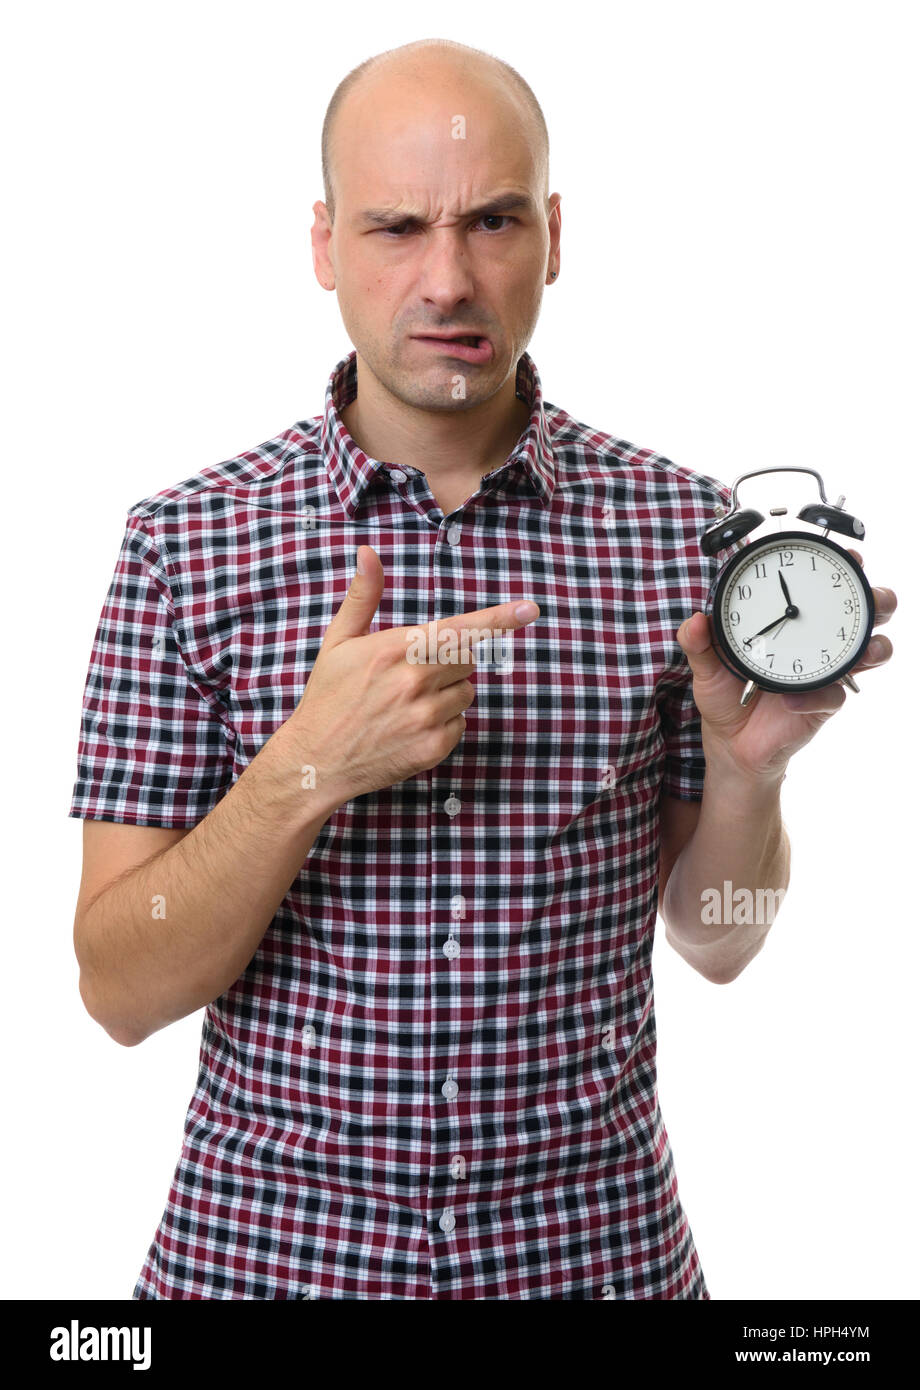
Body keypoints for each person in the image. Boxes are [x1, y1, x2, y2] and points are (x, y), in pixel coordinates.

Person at [68, 37, 896, 1301]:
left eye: (492, 221)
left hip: (590, 1261)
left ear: (553, 235)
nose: (446, 278)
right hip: (268, 1264)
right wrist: (302, 772)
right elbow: (121, 987)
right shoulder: (186, 543)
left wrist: (746, 777)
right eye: (395, 226)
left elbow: (718, 943)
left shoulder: (687, 533)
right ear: (322, 245)